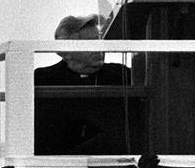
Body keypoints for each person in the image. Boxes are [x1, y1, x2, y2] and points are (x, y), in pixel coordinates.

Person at [34, 14, 132, 155]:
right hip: (61, 163)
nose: (99, 49)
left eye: (100, 42)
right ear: (66, 52)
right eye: (91, 43)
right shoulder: (43, 79)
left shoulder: (121, 75)